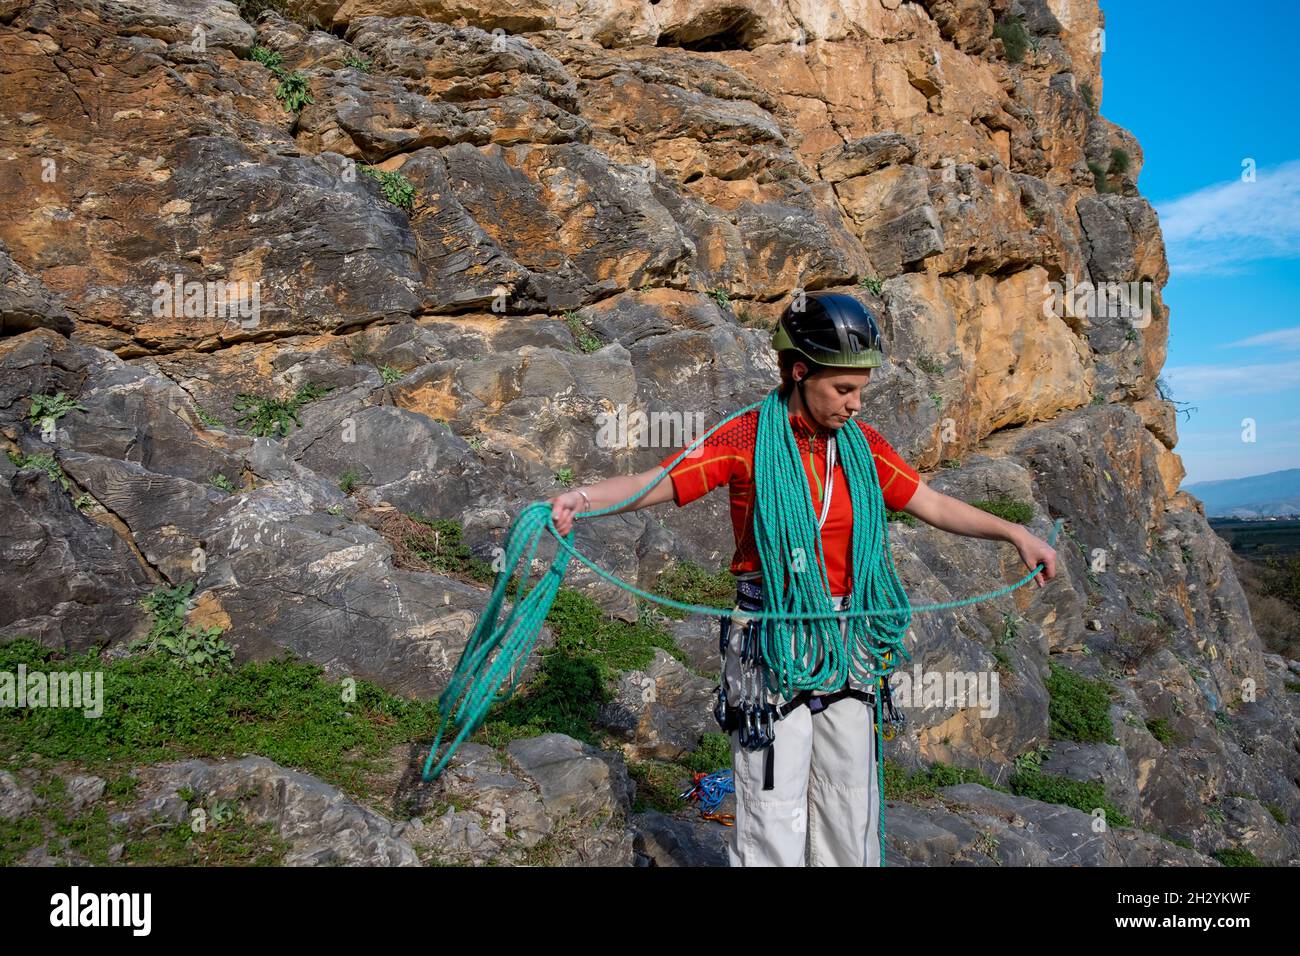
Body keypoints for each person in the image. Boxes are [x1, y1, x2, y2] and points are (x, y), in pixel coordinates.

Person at [549, 291, 1058, 866]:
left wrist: (1017, 535)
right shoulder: (746, 439)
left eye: (861, 389)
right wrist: (581, 499)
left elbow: (931, 503)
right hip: (772, 636)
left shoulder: (860, 448)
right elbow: (661, 481)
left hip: (851, 638)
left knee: (849, 801)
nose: (856, 404)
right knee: (773, 804)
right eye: (843, 389)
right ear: (799, 372)